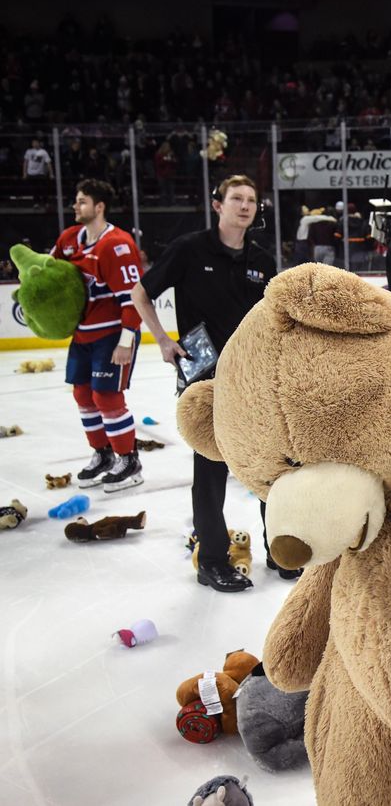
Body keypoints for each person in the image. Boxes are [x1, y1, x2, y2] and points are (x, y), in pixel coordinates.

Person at [130, 175, 291, 593]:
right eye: (236, 198)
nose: (244, 205)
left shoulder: (262, 260)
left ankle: (278, 550)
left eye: (251, 200)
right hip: (203, 380)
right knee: (211, 470)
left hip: (252, 379)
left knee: (264, 466)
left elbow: (272, 319)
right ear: (217, 205)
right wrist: (163, 340)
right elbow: (140, 293)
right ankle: (213, 560)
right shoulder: (189, 249)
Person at [51, 179, 145, 492]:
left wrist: (125, 340)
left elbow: (134, 297)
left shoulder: (116, 245)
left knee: (107, 397)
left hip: (111, 334)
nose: (75, 207)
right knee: (82, 395)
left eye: (81, 202)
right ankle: (103, 454)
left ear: (99, 206)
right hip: (82, 336)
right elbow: (53, 276)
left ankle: (128, 460)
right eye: (76, 201)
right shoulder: (68, 240)